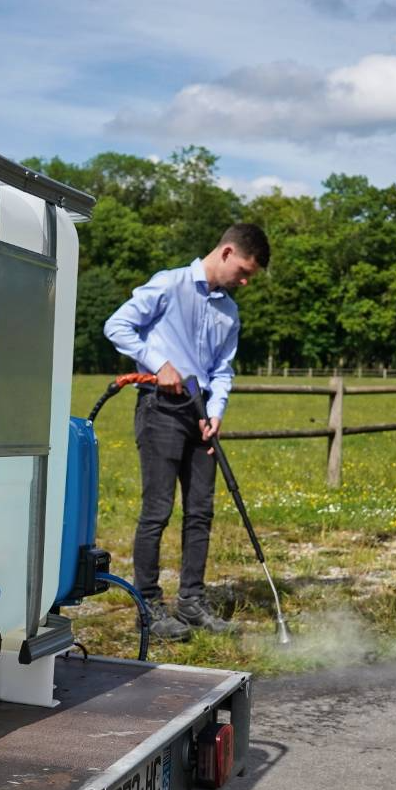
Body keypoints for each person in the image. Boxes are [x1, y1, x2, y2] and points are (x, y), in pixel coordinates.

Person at [103, 224, 270, 639]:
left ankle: (192, 603)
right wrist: (158, 364)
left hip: (200, 415)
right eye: (245, 271)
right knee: (157, 511)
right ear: (227, 252)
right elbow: (117, 326)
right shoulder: (169, 284)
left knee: (201, 512)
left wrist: (216, 412)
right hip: (160, 409)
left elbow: (222, 371)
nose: (246, 281)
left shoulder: (229, 311)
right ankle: (150, 606)